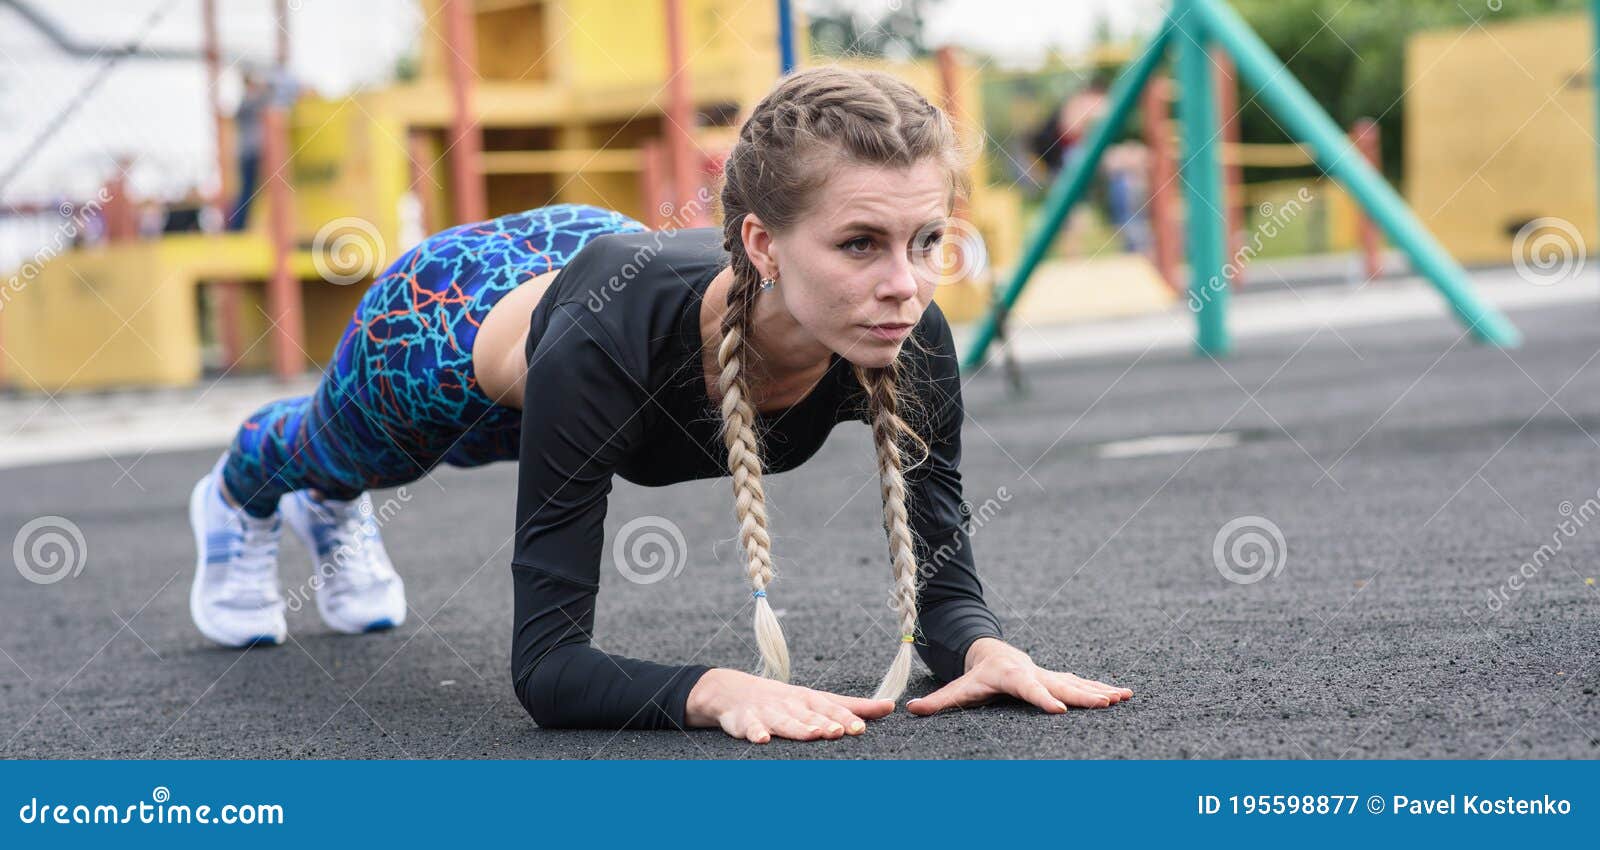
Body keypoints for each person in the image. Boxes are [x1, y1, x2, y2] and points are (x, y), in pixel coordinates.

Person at [188, 65, 1132, 742]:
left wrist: (979, 648)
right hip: (450, 318)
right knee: (347, 453)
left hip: (601, 287)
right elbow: (548, 671)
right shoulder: (605, 351)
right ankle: (244, 498)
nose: (905, 284)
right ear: (763, 245)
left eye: (926, 239)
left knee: (405, 463)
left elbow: (946, 588)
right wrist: (714, 689)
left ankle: (332, 506)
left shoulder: (904, 332)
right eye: (859, 244)